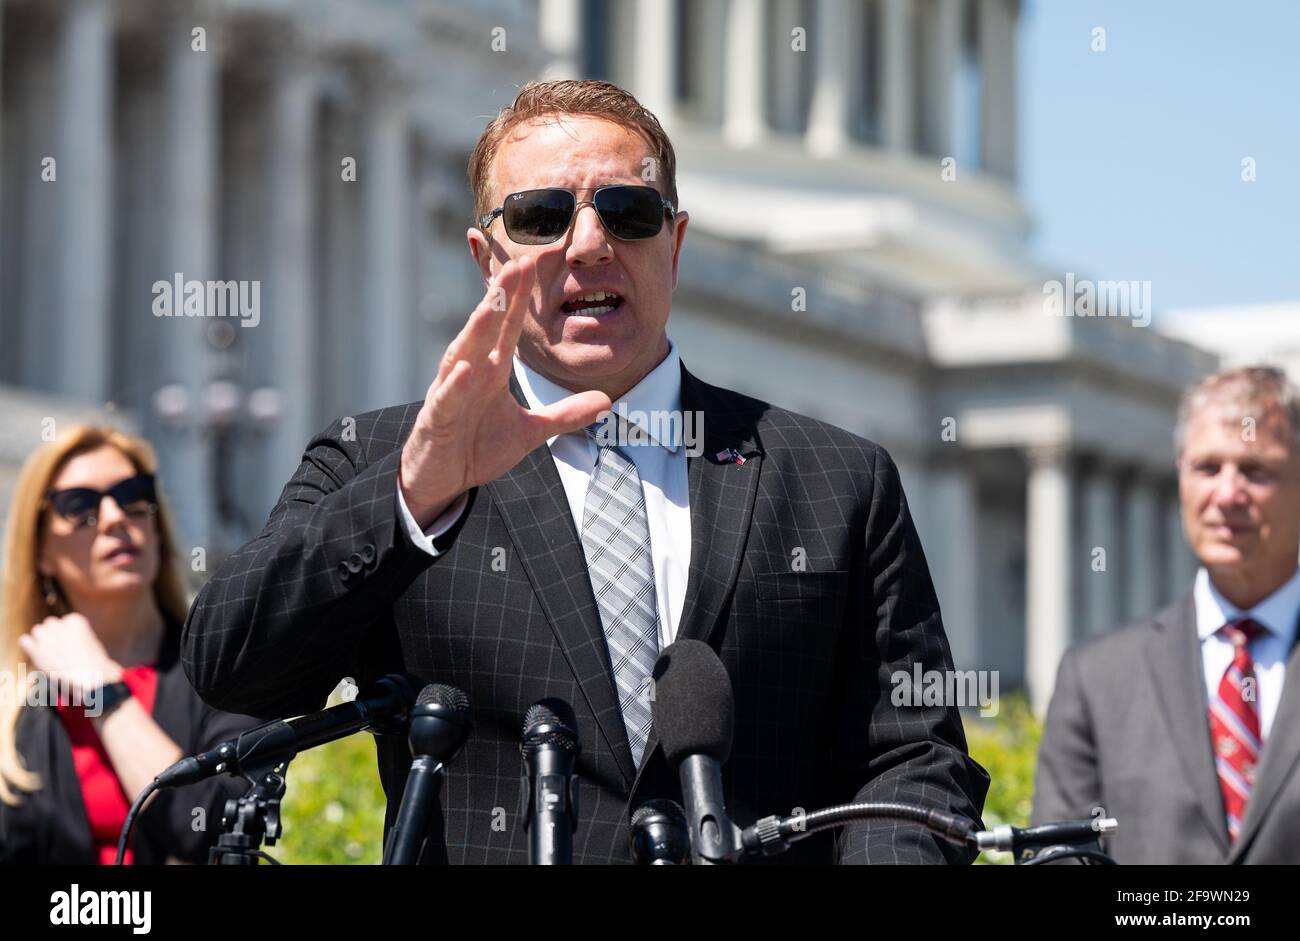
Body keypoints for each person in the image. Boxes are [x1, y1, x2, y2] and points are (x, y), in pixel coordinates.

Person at [182, 78, 988, 864]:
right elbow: (233, 670)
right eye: (542, 217)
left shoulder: (835, 478)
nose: (590, 244)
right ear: (485, 255)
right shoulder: (384, 459)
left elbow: (914, 761)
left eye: (628, 213)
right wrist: (414, 493)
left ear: (673, 244)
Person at [1033, 366, 1300, 863]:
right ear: (1180, 475)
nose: (1227, 494)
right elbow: (1061, 857)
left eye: (1255, 470)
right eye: (1207, 468)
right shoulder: (1096, 678)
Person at [0, 424, 259, 864]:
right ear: (40, 549)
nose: (115, 518)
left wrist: (104, 689)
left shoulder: (224, 668)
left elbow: (215, 828)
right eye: (79, 505)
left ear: (156, 525)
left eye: (132, 495)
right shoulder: (13, 699)